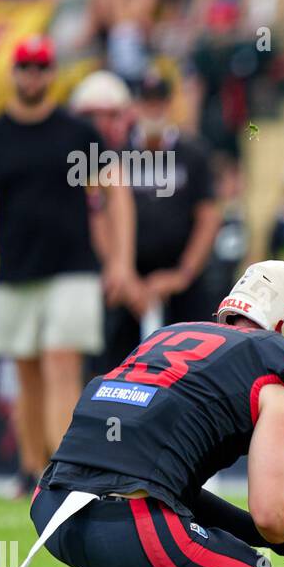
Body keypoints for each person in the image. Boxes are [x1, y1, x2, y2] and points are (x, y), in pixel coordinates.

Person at [0, 260, 284, 567]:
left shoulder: (168, 335)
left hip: (53, 510)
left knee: (187, 521)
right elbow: (271, 513)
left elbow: (180, 490)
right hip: (134, 528)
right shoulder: (278, 369)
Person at [0, 36, 136, 497]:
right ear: (14, 73)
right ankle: (32, 471)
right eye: (26, 67)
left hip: (72, 271)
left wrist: (120, 262)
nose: (33, 75)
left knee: (61, 367)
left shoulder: (77, 133)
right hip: (13, 273)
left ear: (52, 74)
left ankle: (62, 472)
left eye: (41, 67)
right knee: (26, 377)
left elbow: (117, 193)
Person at [98, 70, 221, 370]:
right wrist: (121, 274)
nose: (153, 110)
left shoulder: (193, 153)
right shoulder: (118, 154)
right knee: (119, 367)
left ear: (169, 104)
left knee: (191, 366)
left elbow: (209, 217)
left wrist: (183, 273)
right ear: (136, 106)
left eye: (159, 102)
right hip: (129, 281)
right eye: (147, 102)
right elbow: (100, 215)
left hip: (182, 282)